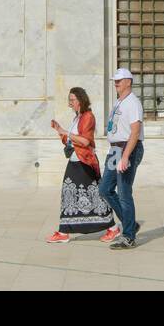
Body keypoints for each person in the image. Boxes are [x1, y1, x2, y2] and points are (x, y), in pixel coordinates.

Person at [46, 87, 114, 243]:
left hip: (85, 161)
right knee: (69, 193)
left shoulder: (88, 117)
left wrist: (65, 132)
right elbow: (72, 140)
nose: (70, 103)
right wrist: (60, 131)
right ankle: (64, 231)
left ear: (80, 100)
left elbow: (84, 141)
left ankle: (113, 228)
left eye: (72, 100)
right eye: (69, 100)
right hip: (76, 160)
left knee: (94, 195)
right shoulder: (78, 117)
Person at [99, 68, 144, 249]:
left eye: (119, 80)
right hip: (115, 150)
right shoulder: (119, 102)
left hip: (127, 149)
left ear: (128, 82)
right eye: (115, 80)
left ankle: (128, 236)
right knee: (105, 189)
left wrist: (125, 156)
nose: (116, 83)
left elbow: (135, 131)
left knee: (124, 193)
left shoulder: (133, 103)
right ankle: (130, 224)